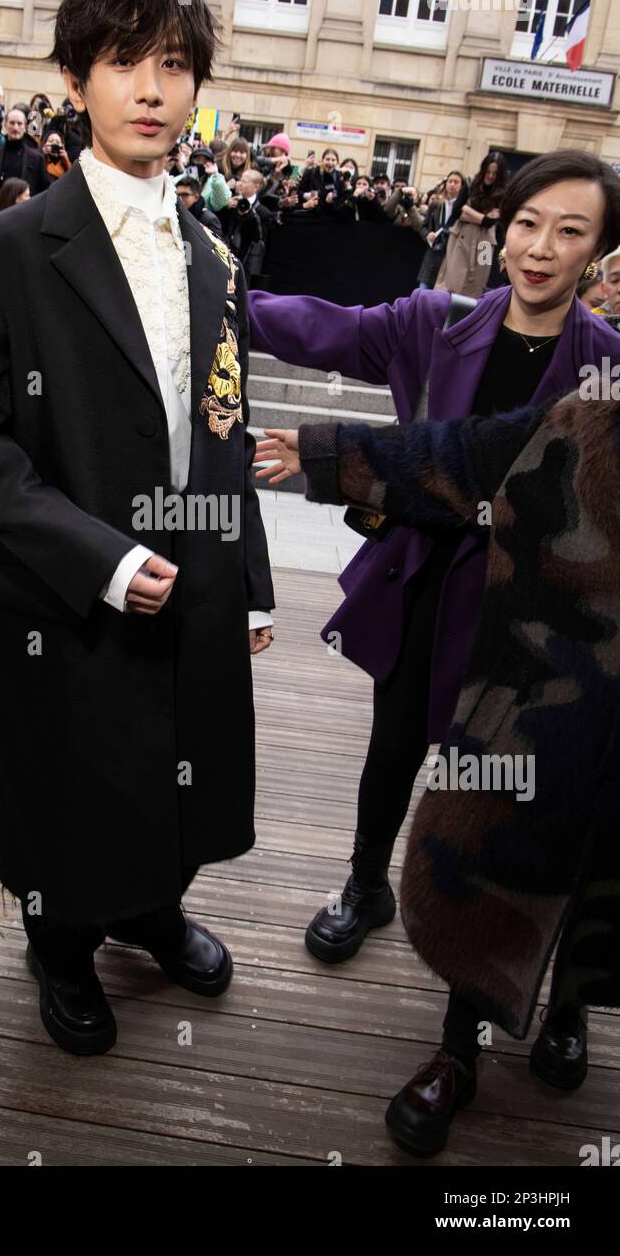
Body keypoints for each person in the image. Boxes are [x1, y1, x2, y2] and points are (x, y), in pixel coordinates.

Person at [0, 0, 275, 1058]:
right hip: (65, 596)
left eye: (174, 64)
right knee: (76, 778)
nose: (151, 88)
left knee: (173, 760)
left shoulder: (216, 254)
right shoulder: (4, 253)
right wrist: (100, 557)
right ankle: (64, 948)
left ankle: (149, 908)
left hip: (199, 580)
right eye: (124, 59)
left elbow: (226, 424)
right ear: (79, 77)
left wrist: (251, 577)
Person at [246, 148, 620, 969]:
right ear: (498, 228)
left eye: (568, 232)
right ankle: (364, 886)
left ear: (595, 251)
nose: (538, 247)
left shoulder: (605, 365)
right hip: (425, 575)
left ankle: (524, 965)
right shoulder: (434, 319)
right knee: (393, 746)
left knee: (520, 783)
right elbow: (322, 328)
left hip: (532, 609)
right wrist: (211, 298)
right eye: (526, 223)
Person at [256, 386, 620, 1155]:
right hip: (539, 716)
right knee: (494, 862)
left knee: (603, 882)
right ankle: (459, 1051)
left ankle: (566, 1010)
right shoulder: (583, 419)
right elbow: (457, 455)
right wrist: (326, 454)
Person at [435, 151, 508, 297]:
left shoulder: (502, 192)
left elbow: (491, 222)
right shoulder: (470, 183)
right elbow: (457, 211)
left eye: (495, 173)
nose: (490, 176)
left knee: (478, 281)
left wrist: (468, 211)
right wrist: (482, 217)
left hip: (487, 241)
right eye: (488, 172)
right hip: (462, 236)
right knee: (452, 280)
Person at [408, 171, 466, 288]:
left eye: (456, 182)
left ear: (462, 186)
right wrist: (428, 235)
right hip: (433, 256)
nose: (452, 185)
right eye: (450, 181)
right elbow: (423, 227)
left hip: (452, 258)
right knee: (423, 293)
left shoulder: (466, 208)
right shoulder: (436, 204)